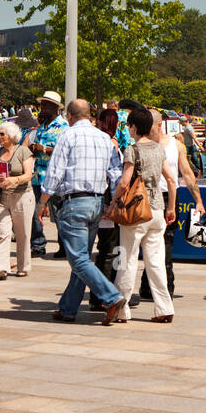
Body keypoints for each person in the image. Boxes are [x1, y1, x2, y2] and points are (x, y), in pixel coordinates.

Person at [37, 98, 126, 324]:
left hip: (74, 201)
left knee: (78, 259)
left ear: (69, 116)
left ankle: (112, 297)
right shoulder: (105, 138)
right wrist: (113, 202)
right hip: (96, 202)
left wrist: (43, 201)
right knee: (82, 258)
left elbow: (55, 172)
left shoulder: (68, 135)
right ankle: (68, 308)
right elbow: (115, 172)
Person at [109, 105, 177, 323]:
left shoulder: (132, 149)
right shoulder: (159, 149)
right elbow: (172, 181)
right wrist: (171, 207)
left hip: (136, 211)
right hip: (157, 209)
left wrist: (113, 203)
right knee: (155, 262)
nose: (128, 129)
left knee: (127, 260)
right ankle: (164, 308)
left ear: (135, 127)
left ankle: (122, 309)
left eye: (129, 125)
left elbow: (124, 182)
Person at [138, 109, 204, 303]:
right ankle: (148, 285)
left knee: (165, 245)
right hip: (144, 197)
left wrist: (198, 200)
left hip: (168, 199)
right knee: (147, 245)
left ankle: (166, 287)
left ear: (158, 125)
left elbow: (187, 174)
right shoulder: (140, 144)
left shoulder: (176, 145)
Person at [0, 120, 35, 280]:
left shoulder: (23, 151)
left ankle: (23, 267)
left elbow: (29, 175)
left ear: (12, 136)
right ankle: (1, 268)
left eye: (2, 134)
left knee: (22, 234)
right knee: (2, 232)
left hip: (22, 196)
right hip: (1, 197)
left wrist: (14, 180)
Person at [89, 107, 123, 311]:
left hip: (93, 198)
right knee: (110, 250)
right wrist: (113, 203)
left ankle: (98, 295)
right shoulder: (110, 144)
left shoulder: (94, 142)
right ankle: (105, 294)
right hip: (107, 201)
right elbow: (116, 177)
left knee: (103, 249)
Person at [30, 91, 68, 259]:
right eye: (41, 105)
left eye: (45, 105)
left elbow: (64, 150)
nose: (42, 108)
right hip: (38, 175)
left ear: (54, 108)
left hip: (55, 177)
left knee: (60, 214)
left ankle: (64, 246)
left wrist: (44, 149)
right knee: (35, 212)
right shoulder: (42, 126)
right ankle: (38, 245)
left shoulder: (63, 127)